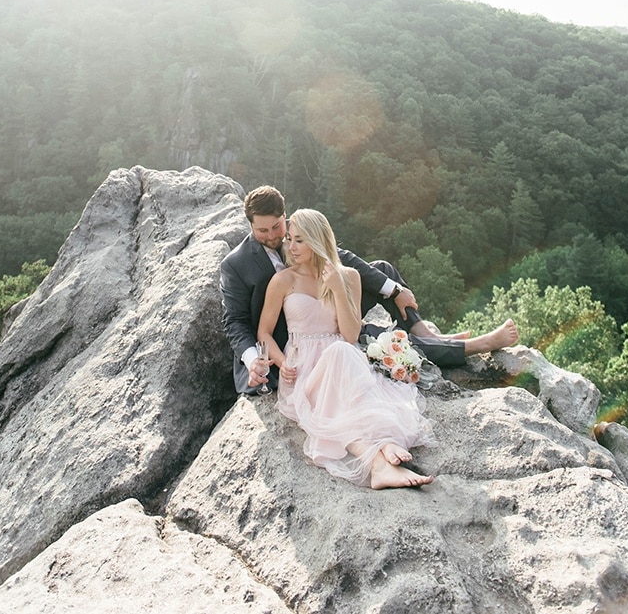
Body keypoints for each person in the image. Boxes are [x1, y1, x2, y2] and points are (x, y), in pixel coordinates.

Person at [220, 185, 519, 395]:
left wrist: (395, 290)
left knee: (383, 271)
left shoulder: (296, 232)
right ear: (250, 226)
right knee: (379, 340)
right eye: (263, 231)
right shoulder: (236, 264)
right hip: (291, 336)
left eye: (277, 227)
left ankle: (423, 331)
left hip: (322, 305)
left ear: (284, 216)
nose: (273, 236)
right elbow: (234, 322)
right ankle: (475, 346)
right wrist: (254, 359)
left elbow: (340, 256)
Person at [258, 208, 436, 489]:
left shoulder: (349, 276)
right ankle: (381, 451)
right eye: (290, 239)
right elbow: (264, 333)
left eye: (300, 240)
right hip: (305, 369)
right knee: (339, 368)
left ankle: (381, 456)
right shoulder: (283, 280)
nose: (291, 247)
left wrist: (338, 289)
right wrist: (282, 362)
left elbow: (350, 335)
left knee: (342, 358)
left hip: (344, 362)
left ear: (318, 240)